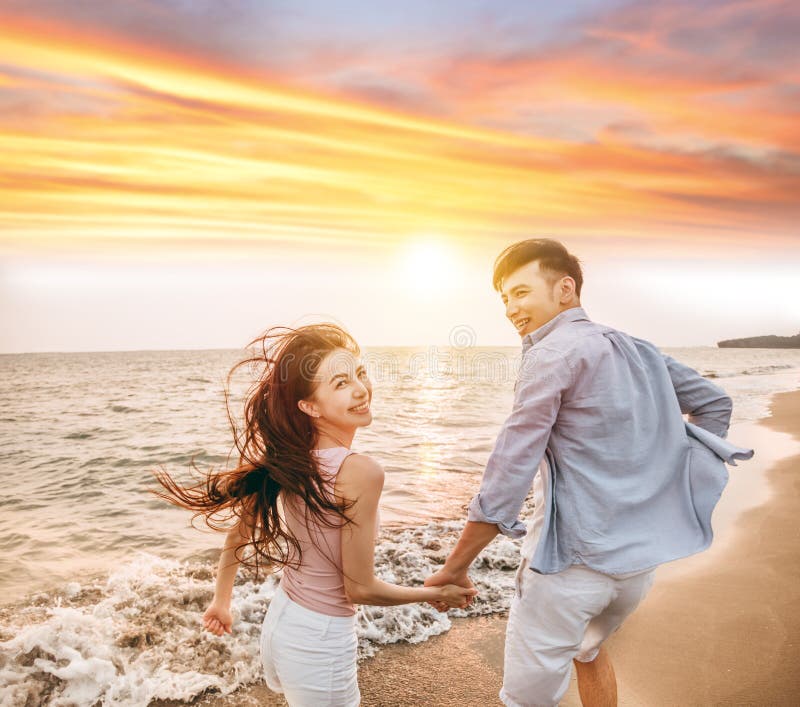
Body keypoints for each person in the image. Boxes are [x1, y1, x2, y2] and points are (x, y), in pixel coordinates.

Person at [425, 239, 753, 707]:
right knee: (589, 649)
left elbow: (509, 470)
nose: (510, 309)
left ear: (565, 288)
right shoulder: (638, 348)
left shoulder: (549, 353)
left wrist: (455, 566)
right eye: (503, 299)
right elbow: (714, 403)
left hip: (568, 571)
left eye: (520, 292)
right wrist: (671, 477)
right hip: (636, 571)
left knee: (526, 701)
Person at [153, 323, 476, 707]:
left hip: (282, 623)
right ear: (309, 406)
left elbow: (236, 538)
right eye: (340, 383)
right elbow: (360, 589)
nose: (360, 389)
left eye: (359, 374)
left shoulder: (289, 460)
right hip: (320, 641)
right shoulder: (360, 471)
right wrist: (436, 593)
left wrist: (221, 601)